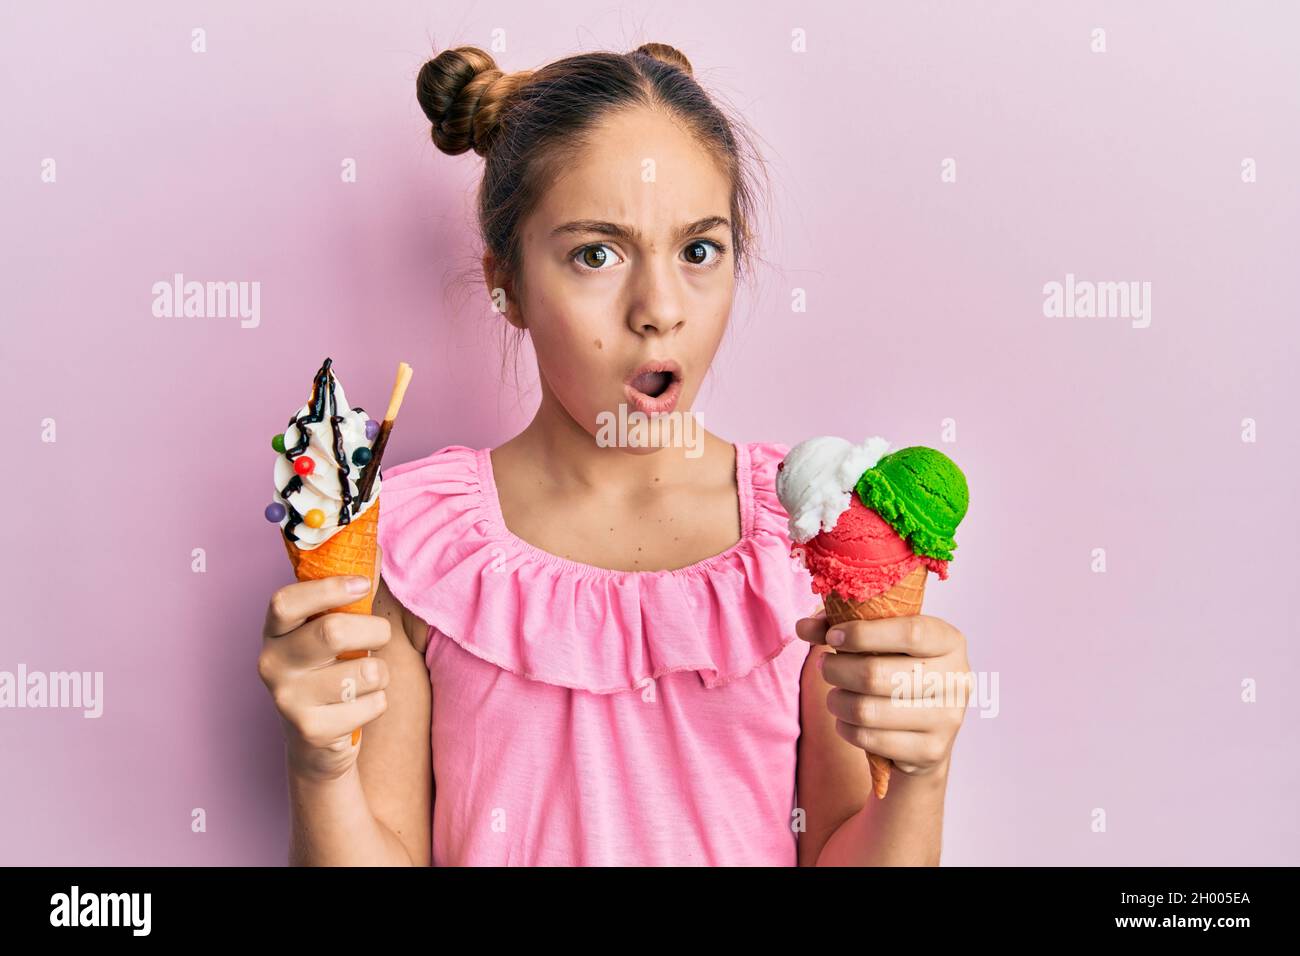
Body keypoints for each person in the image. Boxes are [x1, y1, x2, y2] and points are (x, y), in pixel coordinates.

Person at [258, 42, 970, 866]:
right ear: (509, 284)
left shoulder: (809, 532)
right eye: (596, 254)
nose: (659, 309)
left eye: (699, 251)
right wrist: (319, 768)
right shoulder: (413, 546)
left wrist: (921, 772)